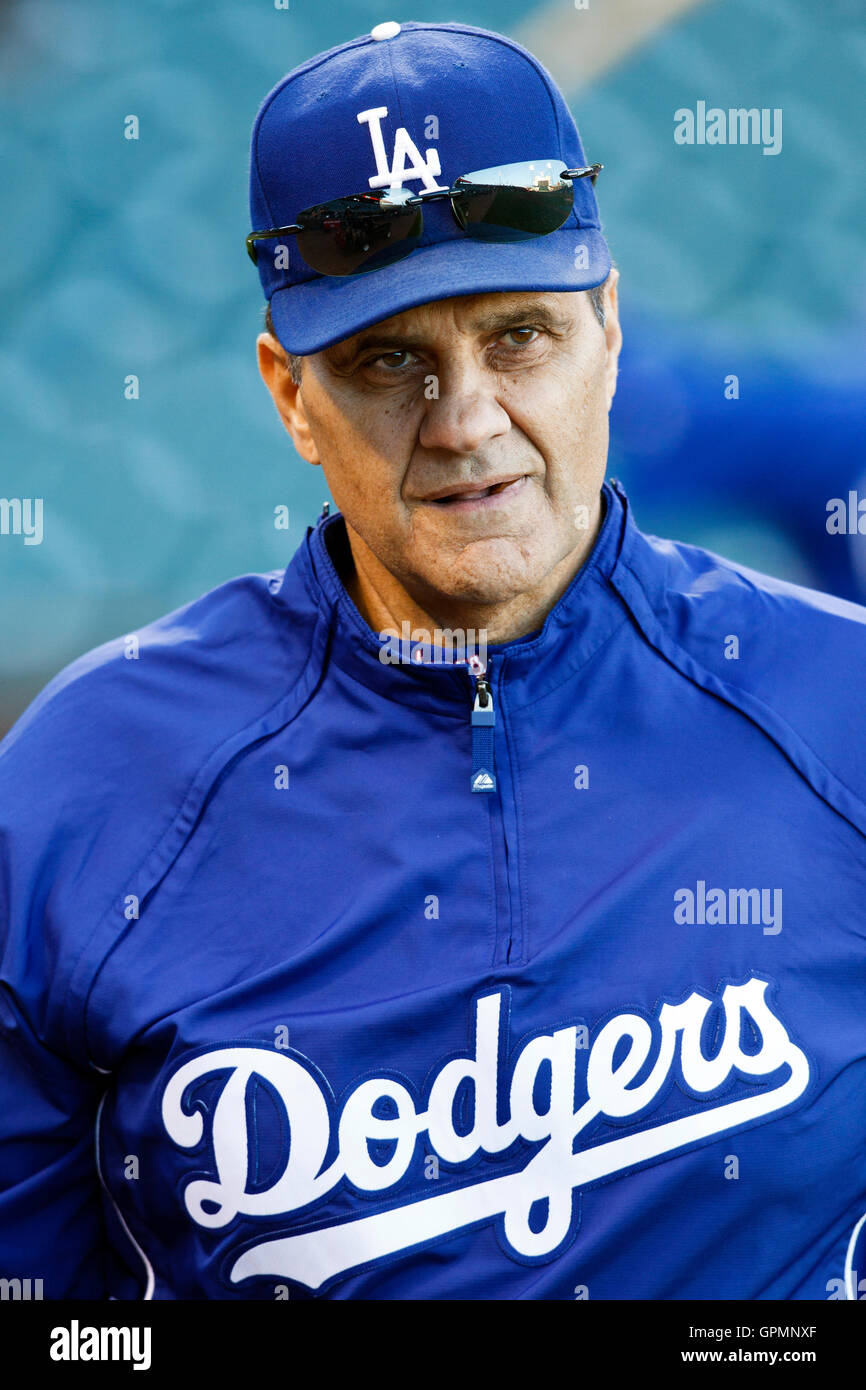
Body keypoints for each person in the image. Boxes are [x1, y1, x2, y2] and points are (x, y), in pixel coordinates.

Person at [1, 19, 865, 1303]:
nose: (465, 422)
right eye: (386, 359)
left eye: (518, 336)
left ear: (609, 329)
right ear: (288, 394)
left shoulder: (833, 712)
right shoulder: (86, 790)